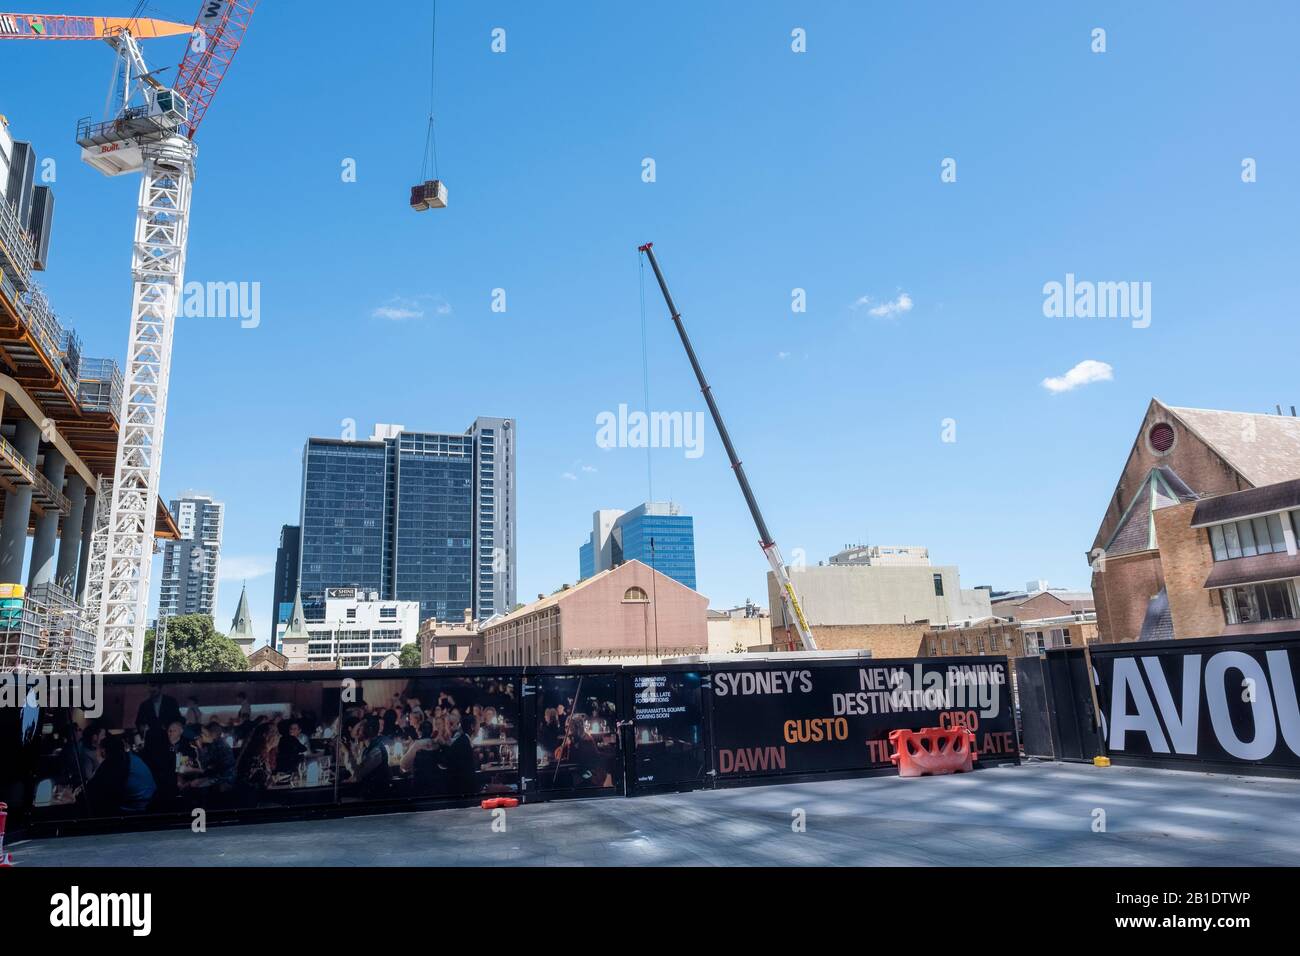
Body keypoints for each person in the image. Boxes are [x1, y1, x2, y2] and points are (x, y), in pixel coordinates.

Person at [83, 734, 156, 815]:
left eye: (97, 748)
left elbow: (93, 789)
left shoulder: (115, 762)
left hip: (138, 809)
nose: (96, 752)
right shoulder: (128, 757)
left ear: (103, 751)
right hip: (149, 803)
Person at [354, 718, 391, 797]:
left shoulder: (377, 750)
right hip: (367, 792)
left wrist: (347, 753)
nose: (356, 732)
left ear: (369, 730)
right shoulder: (366, 748)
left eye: (360, 729)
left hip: (375, 796)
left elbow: (358, 774)